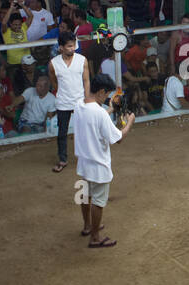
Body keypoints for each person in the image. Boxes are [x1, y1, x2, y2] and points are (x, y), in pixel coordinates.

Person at [72, 73, 135, 248]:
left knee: (85, 195)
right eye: (106, 93)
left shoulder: (79, 105)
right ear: (100, 91)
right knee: (98, 202)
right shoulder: (100, 114)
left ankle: (87, 226)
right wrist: (130, 121)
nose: (107, 97)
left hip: (83, 162)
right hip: (98, 165)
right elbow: (118, 138)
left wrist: (110, 110)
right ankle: (95, 237)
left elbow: (93, 119)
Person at [49, 31, 90, 173]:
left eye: (73, 46)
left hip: (79, 101)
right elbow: (54, 82)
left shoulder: (82, 60)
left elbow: (86, 80)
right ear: (61, 47)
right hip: (63, 103)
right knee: (62, 133)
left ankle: (86, 157)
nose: (73, 48)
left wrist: (87, 98)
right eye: (69, 46)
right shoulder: (53, 64)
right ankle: (62, 159)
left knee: (84, 131)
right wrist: (61, 93)